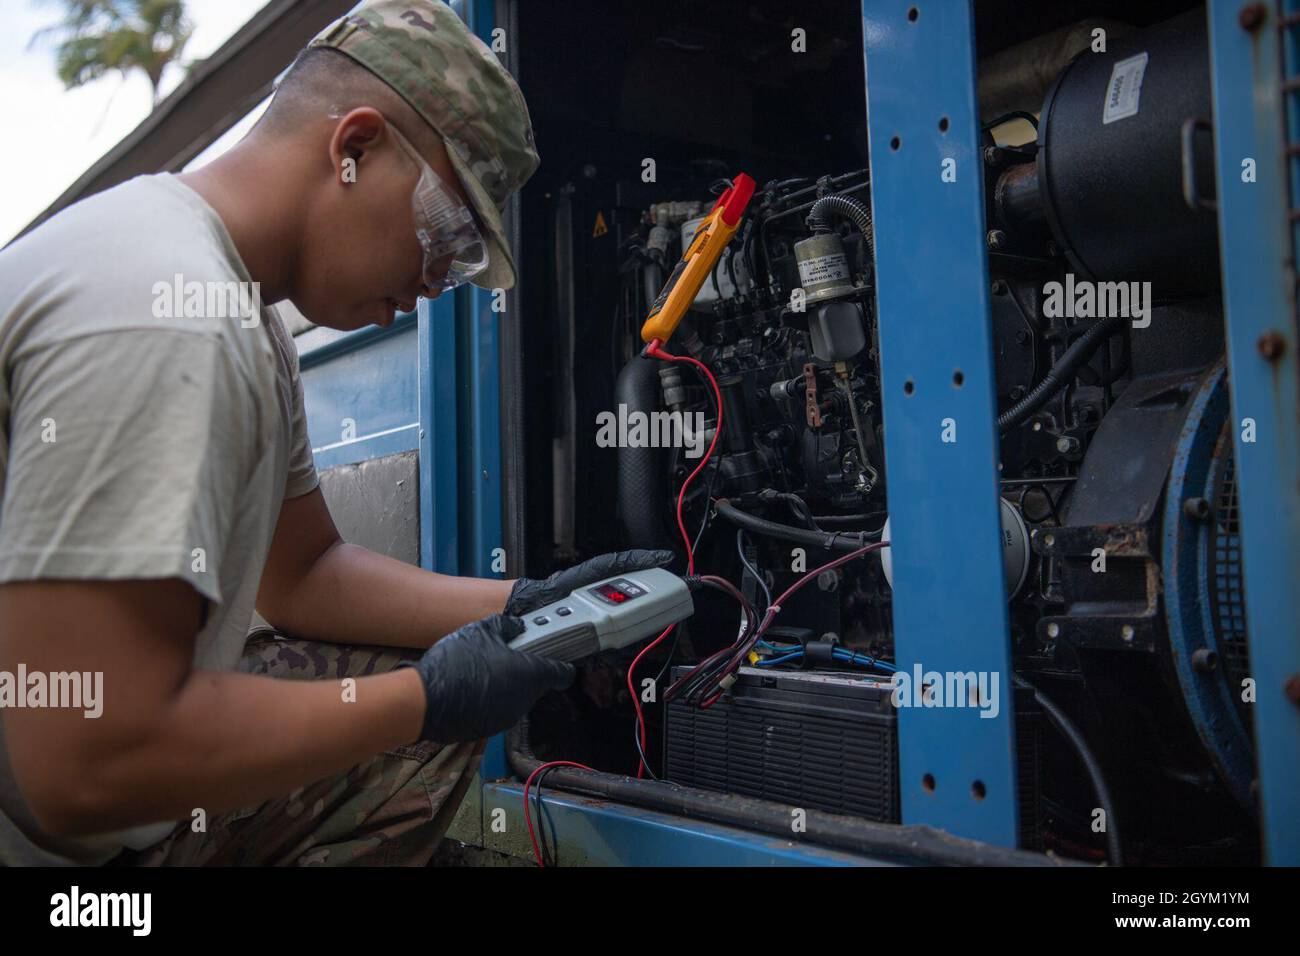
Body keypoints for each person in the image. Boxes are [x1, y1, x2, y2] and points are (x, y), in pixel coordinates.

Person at [0, 0, 671, 866]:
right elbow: (83, 763)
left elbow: (302, 575)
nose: (441, 281)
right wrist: (424, 702)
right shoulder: (166, 318)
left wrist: (524, 605)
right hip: (47, 833)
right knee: (412, 727)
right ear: (354, 148)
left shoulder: (224, 298)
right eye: (448, 231)